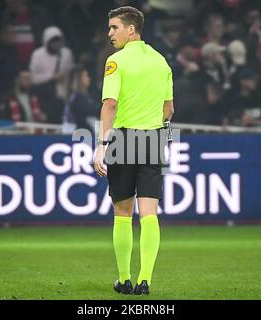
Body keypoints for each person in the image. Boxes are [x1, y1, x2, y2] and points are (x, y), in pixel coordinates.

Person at [93, 6, 174, 296]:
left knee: (123, 213)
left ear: (131, 29)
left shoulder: (116, 61)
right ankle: (145, 280)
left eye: (114, 27)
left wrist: (101, 146)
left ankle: (125, 279)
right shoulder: (161, 61)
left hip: (124, 141)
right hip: (153, 139)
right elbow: (169, 109)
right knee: (149, 213)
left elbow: (110, 105)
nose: (109, 33)